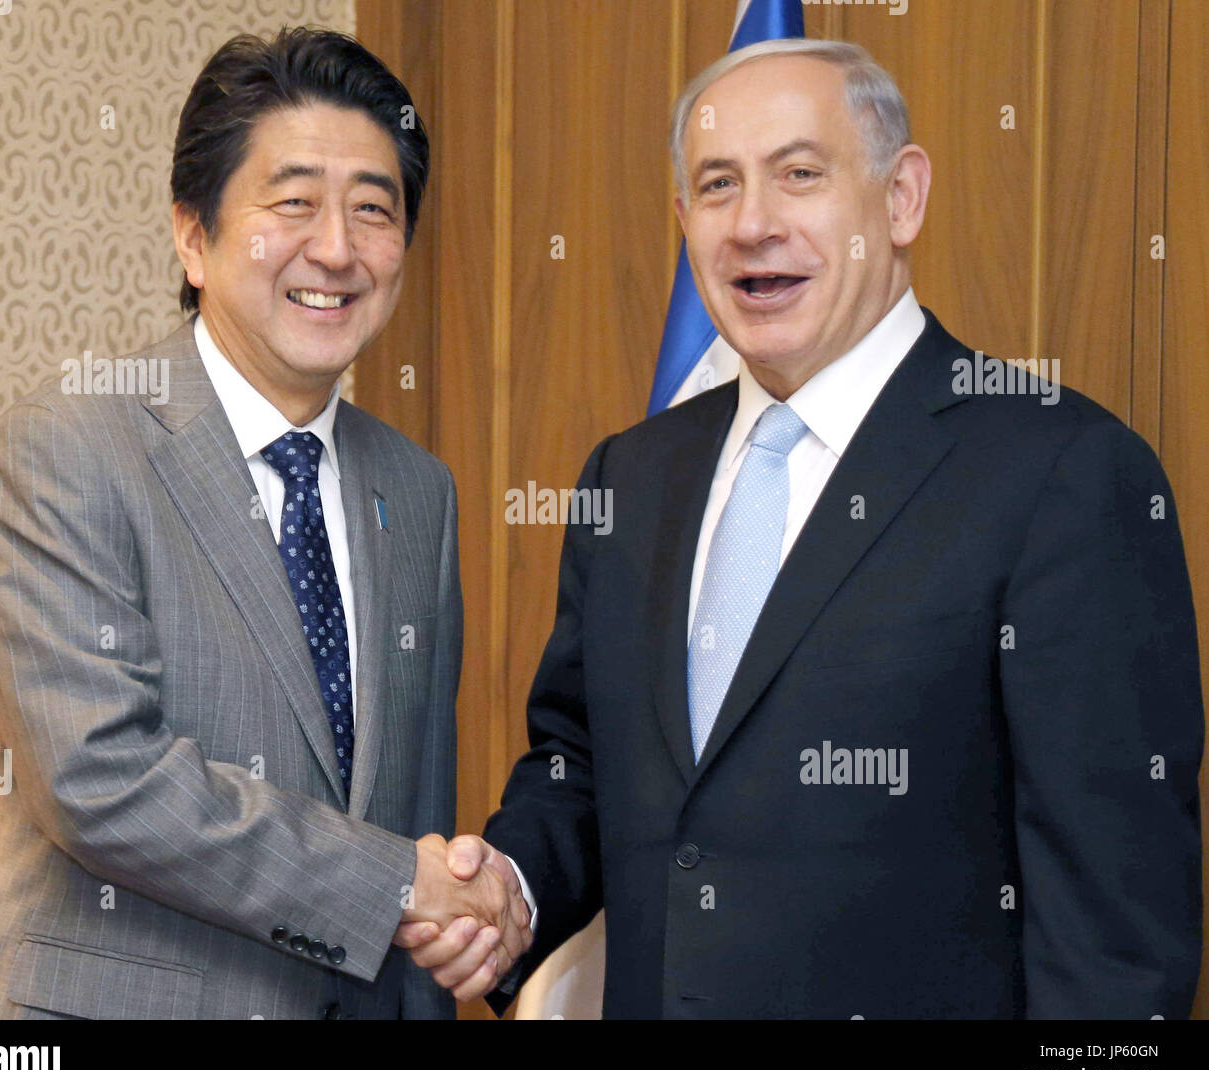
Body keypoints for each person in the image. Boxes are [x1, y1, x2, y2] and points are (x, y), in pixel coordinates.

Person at [397, 38, 1203, 1018]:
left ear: (901, 198)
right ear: (684, 220)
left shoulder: (1061, 473)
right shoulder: (632, 476)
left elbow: (1115, 937)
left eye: (799, 175)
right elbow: (582, 762)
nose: (753, 225)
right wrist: (510, 890)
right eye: (717, 186)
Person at [0, 27, 529, 1021]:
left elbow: (408, 804)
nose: (336, 248)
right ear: (192, 235)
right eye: (292, 201)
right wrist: (400, 883)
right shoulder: (67, 444)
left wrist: (466, 920)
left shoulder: (418, 489)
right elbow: (101, 777)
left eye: (374, 210)